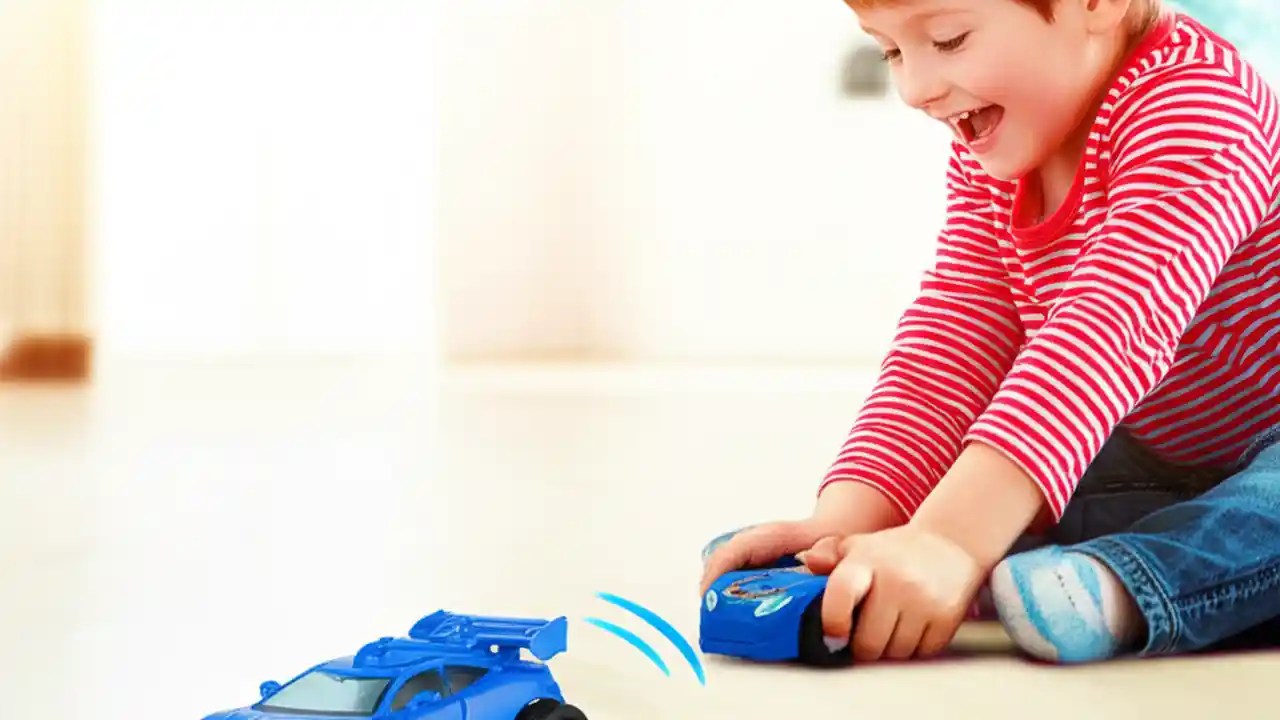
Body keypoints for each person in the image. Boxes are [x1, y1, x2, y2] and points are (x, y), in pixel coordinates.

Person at [700, 0, 1280, 665]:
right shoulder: (998, 144)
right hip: (1163, 455)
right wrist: (847, 520)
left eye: (948, 40)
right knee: (1003, 456)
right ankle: (963, 571)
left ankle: (1127, 587)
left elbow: (1109, 329)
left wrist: (950, 540)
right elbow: (953, 337)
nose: (914, 89)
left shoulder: (1203, 107)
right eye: (891, 51)